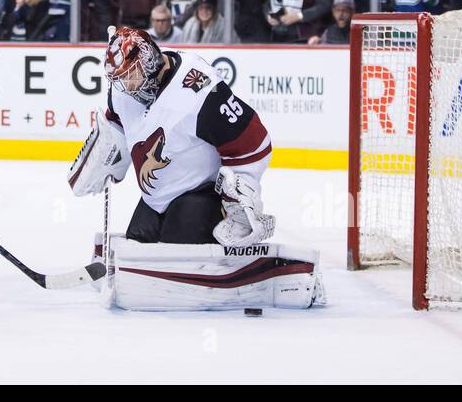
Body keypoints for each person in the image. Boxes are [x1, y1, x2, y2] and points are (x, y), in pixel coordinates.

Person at [66, 26, 324, 310]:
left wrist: (238, 199)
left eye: (130, 76)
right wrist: (102, 157)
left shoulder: (197, 91)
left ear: (149, 59)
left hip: (198, 197)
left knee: (174, 248)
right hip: (155, 199)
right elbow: (116, 122)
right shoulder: (124, 90)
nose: (125, 86)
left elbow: (255, 141)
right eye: (120, 79)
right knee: (139, 245)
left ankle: (263, 275)